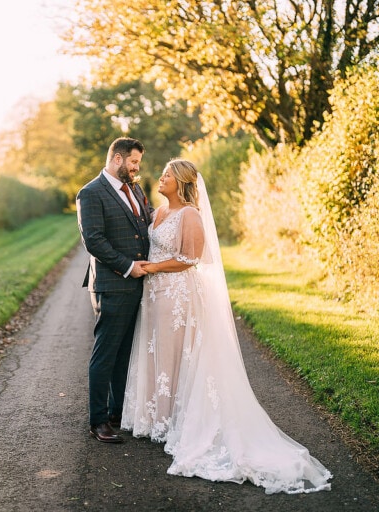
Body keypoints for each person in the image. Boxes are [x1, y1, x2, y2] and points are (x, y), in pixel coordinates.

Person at [122, 159, 332, 493]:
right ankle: (158, 419)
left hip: (177, 294)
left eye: (167, 175)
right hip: (154, 295)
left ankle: (178, 422)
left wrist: (153, 268)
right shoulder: (158, 212)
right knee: (157, 352)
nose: (160, 178)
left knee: (178, 355)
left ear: (181, 182)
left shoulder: (190, 215)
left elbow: (190, 258)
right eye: (162, 174)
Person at [76, 137, 153, 443]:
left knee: (125, 353)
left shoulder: (136, 189)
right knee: (106, 353)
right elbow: (93, 240)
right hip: (111, 284)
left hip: (137, 284)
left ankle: (117, 412)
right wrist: (128, 266)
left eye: (138, 163)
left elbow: (147, 223)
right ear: (118, 159)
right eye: (133, 162)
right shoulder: (91, 193)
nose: (136, 168)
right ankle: (98, 421)